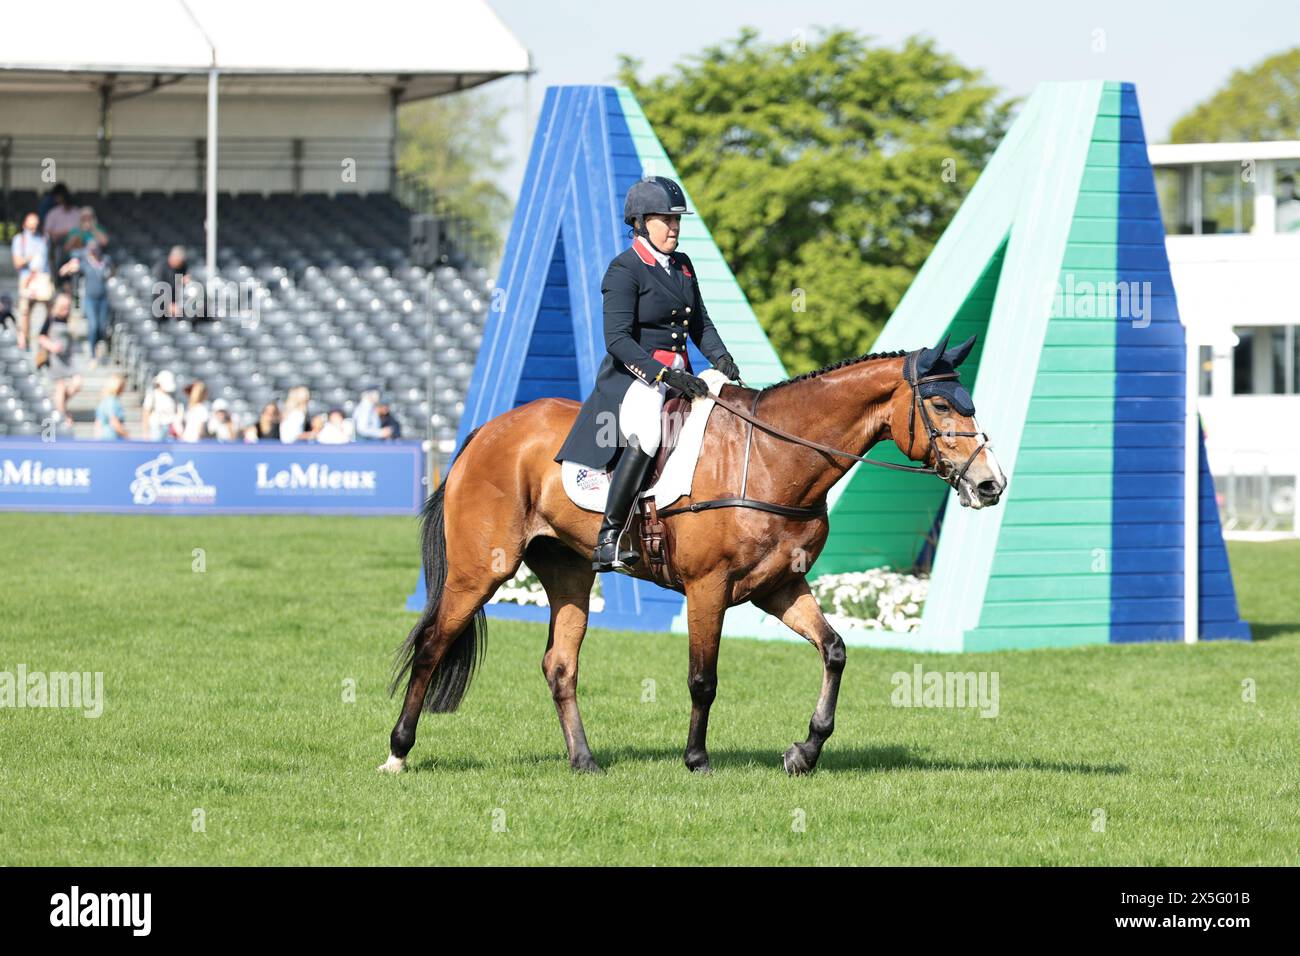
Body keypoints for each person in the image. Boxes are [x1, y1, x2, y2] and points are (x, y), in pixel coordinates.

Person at [553, 176, 741, 572]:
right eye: (664, 219)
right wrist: (663, 376)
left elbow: (700, 324)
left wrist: (722, 359)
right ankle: (610, 536)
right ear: (640, 222)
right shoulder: (624, 269)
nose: (673, 227)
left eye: (677, 220)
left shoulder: (683, 267)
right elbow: (617, 340)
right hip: (636, 378)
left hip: (683, 375)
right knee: (649, 432)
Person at [61, 240, 112, 365]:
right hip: (90, 298)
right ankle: (93, 354)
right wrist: (68, 267)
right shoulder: (85, 263)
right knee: (93, 325)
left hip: (103, 298)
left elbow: (111, 273)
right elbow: (67, 270)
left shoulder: (105, 261)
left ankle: (99, 344)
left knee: (102, 326)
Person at [36, 293, 82, 427]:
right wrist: (52, 346)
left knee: (77, 383)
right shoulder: (51, 318)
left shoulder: (69, 320)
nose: (66, 309)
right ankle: (62, 416)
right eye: (64, 307)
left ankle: (57, 407)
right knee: (60, 387)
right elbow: (41, 337)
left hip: (67, 359)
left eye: (68, 307)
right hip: (54, 358)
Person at [11, 212, 52, 352]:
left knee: (50, 308)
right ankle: (24, 339)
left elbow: (46, 261)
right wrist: (31, 256)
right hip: (27, 278)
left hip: (42, 278)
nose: (33, 229)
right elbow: (17, 262)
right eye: (30, 226)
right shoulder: (19, 239)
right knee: (24, 310)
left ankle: (44, 336)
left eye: (35, 226)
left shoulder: (44, 239)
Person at [42, 184, 81, 273]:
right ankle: (58, 273)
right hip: (58, 242)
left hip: (76, 241)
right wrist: (62, 233)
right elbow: (47, 231)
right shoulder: (53, 213)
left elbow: (81, 230)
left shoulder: (77, 212)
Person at [141, 369, 182, 441]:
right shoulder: (152, 395)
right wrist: (145, 432)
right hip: (156, 429)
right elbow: (146, 414)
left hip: (169, 430)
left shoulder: (171, 398)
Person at [153, 245, 189, 319]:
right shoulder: (161, 267)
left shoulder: (182, 266)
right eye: (178, 261)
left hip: (177, 301)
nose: (180, 264)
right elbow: (160, 288)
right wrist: (169, 304)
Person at [95, 373, 130, 440]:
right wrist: (126, 435)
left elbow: (98, 423)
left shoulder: (104, 400)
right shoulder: (112, 401)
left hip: (104, 438)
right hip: (112, 438)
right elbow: (114, 421)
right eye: (123, 386)